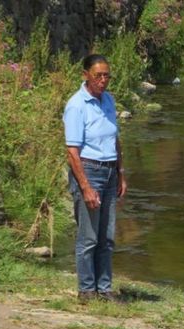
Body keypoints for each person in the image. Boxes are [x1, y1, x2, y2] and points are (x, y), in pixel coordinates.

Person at [63, 54, 127, 302]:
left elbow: (115, 139)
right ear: (85, 75)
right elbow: (72, 152)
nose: (103, 80)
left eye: (106, 75)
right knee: (89, 236)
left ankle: (105, 288)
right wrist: (86, 187)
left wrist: (121, 174)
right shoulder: (77, 105)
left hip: (110, 170)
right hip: (89, 170)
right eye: (98, 75)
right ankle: (87, 290)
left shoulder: (108, 100)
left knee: (107, 236)